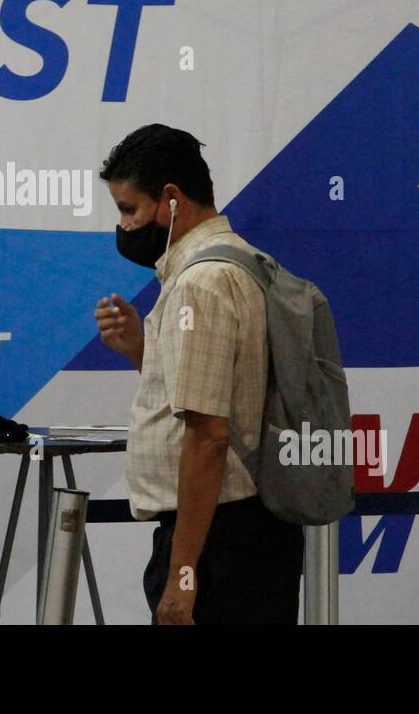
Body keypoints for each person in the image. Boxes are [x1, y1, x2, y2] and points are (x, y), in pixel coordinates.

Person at [94, 124, 304, 624]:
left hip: (219, 546)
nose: (123, 226)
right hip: (251, 534)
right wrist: (143, 350)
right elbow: (228, 392)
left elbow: (210, 436)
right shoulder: (248, 262)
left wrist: (181, 581)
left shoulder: (201, 283)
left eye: (128, 209)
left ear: (170, 199)